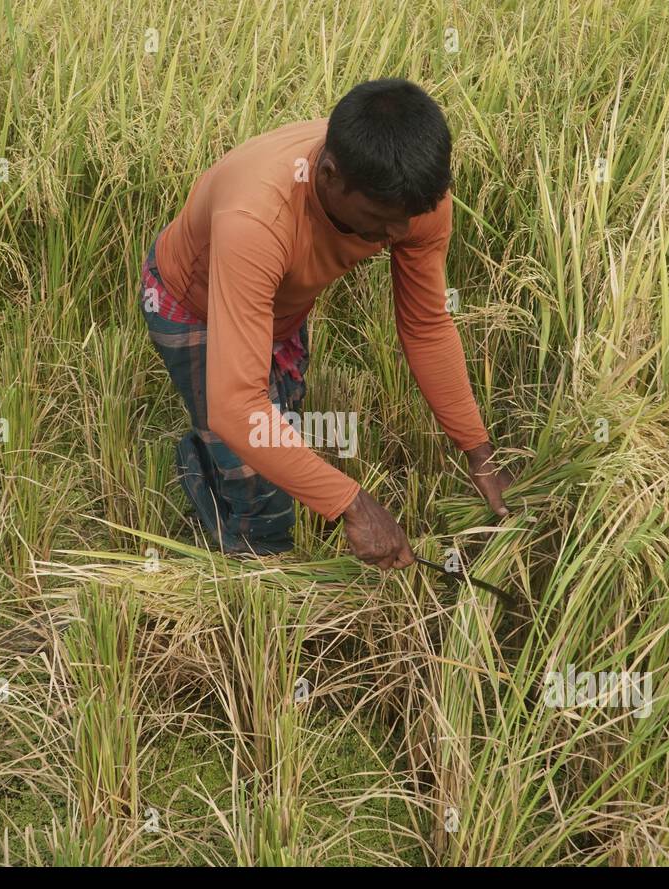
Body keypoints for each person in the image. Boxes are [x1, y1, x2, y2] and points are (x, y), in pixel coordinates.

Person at [139, 78, 514, 570]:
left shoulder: (413, 196)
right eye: (381, 219)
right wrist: (352, 505)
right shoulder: (258, 217)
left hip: (278, 308)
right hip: (193, 303)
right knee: (260, 479)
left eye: (408, 219)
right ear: (330, 174)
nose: (399, 235)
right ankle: (257, 573)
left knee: (282, 429)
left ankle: (208, 454)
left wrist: (478, 449)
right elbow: (237, 408)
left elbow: (425, 325)